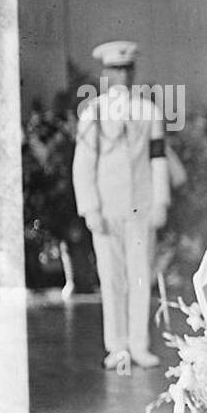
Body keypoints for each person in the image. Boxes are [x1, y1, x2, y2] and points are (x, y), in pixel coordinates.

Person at [71, 40, 170, 370]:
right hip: (107, 206)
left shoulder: (150, 111)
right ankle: (117, 347)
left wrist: (160, 202)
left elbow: (158, 160)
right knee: (111, 277)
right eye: (115, 70)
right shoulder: (93, 113)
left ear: (134, 72)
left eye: (127, 70)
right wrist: (90, 208)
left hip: (141, 205)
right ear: (105, 74)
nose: (122, 77)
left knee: (140, 275)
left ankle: (139, 345)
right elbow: (83, 164)